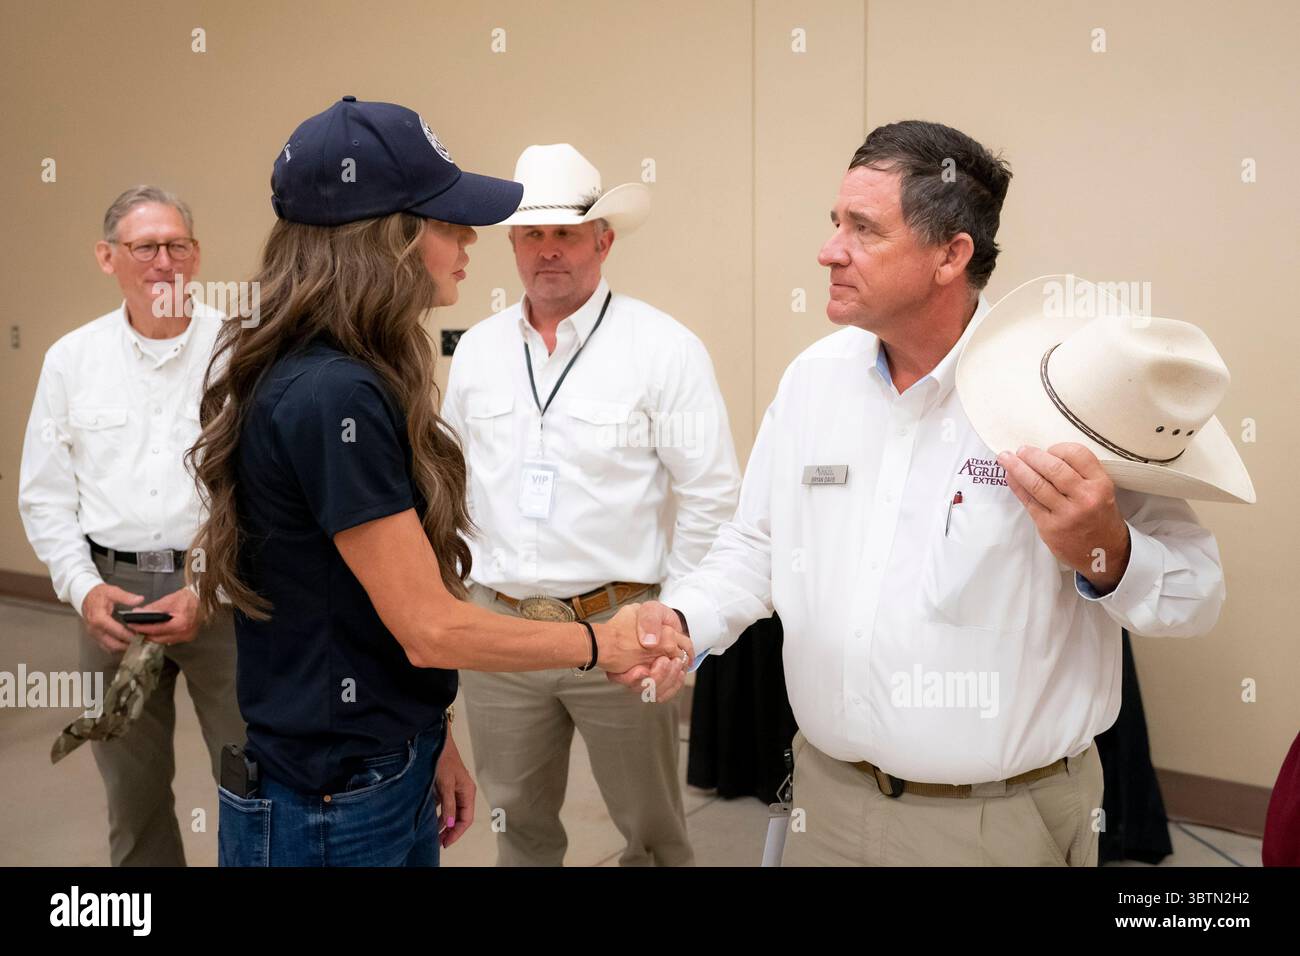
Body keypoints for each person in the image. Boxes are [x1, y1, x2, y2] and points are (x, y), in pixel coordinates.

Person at [620, 120, 1242, 866]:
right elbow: (757, 547)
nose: (828, 250)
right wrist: (685, 615)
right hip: (824, 798)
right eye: (834, 223)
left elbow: (1195, 595)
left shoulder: (1063, 400)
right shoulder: (814, 380)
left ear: (951, 255)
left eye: (863, 229)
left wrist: (1105, 552)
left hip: (996, 828)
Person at [190, 98, 690, 868]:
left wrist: (431, 741)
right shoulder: (333, 395)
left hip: (376, 765)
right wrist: (603, 641)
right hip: (331, 806)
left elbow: (370, 610)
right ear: (387, 240)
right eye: (449, 223)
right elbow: (426, 627)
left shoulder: (343, 376)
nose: (468, 244)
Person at [442, 143, 740, 866]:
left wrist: (678, 621)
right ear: (511, 244)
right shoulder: (479, 351)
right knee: (517, 827)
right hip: (501, 630)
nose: (548, 251)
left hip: (623, 630)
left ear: (603, 241)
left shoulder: (663, 349)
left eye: (566, 233)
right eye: (531, 235)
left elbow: (711, 497)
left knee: (652, 831)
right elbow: (451, 485)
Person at [18, 185, 245, 866]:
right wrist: (83, 588)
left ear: (197, 256)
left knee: (251, 776)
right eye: (145, 247)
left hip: (224, 592)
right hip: (112, 595)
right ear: (107, 257)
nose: (164, 262)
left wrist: (211, 588)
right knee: (132, 791)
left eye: (178, 245)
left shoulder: (242, 350)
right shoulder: (71, 361)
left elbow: (266, 493)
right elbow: (45, 496)